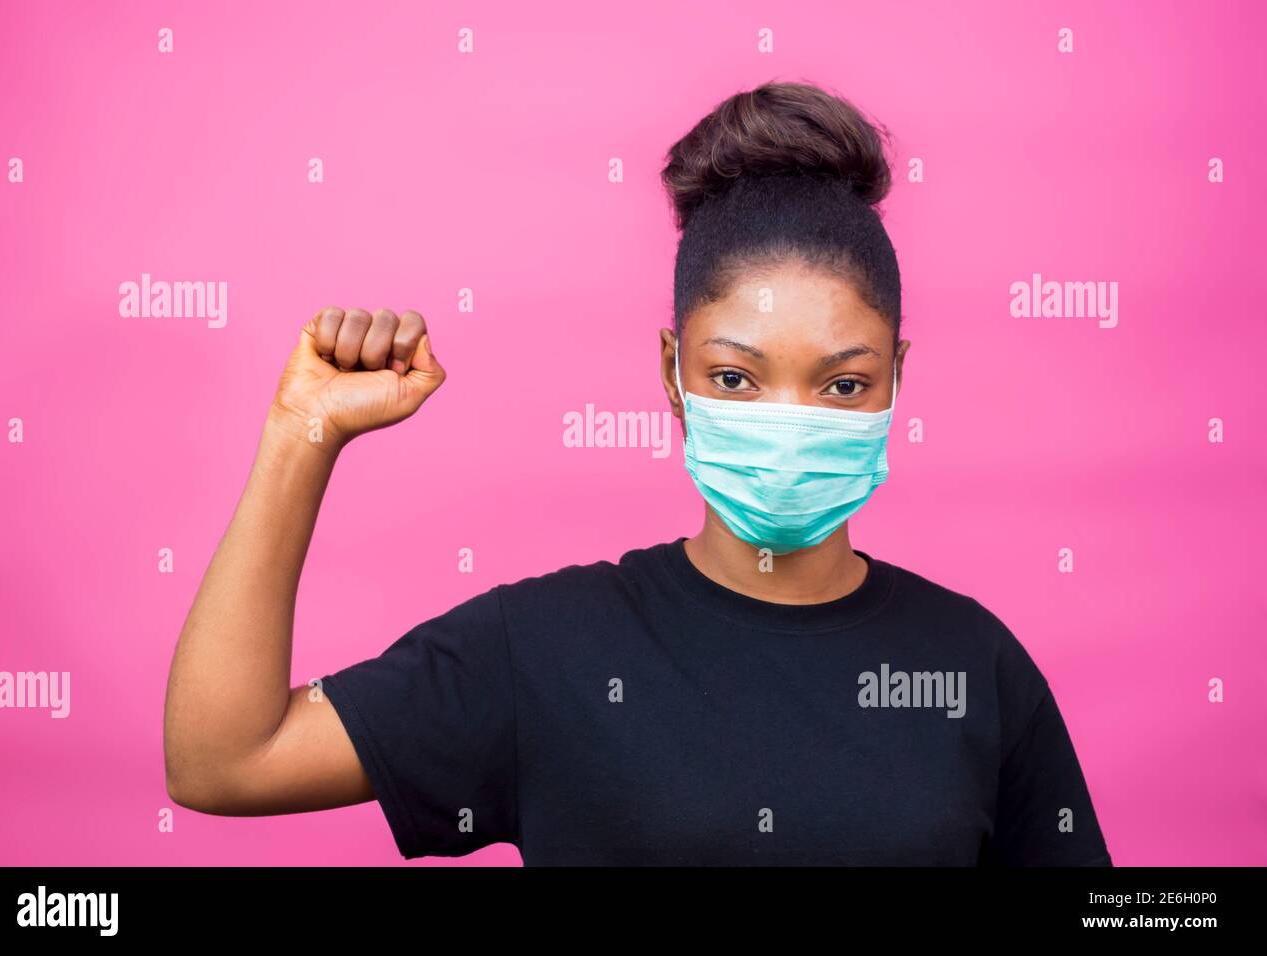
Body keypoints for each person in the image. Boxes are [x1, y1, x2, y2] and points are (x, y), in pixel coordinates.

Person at [163, 81, 1111, 866]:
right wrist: (302, 434)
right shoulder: (545, 651)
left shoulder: (971, 665)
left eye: (843, 381)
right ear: (672, 374)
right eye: (735, 377)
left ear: (896, 379)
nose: (786, 422)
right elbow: (222, 762)